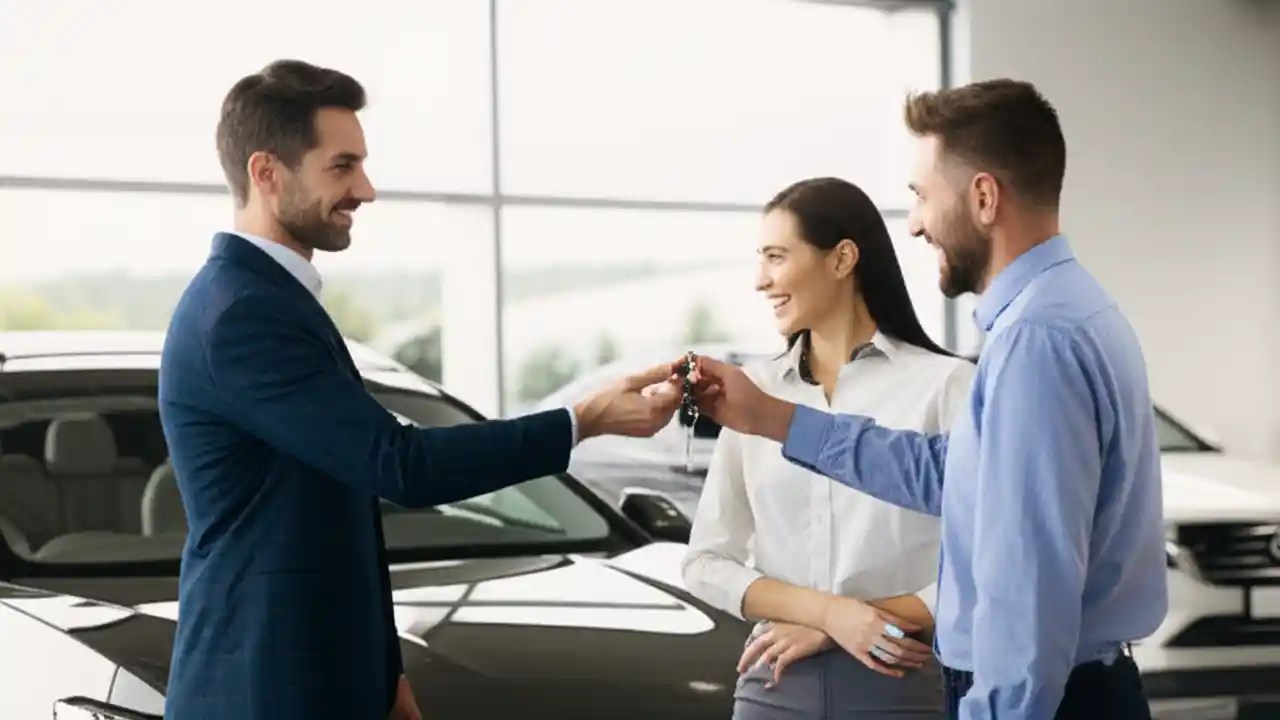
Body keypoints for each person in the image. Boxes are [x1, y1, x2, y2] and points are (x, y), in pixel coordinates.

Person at [157, 59, 682, 720]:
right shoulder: (243, 315)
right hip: (263, 691)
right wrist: (583, 420)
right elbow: (401, 465)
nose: (366, 190)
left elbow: (336, 514)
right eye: (342, 166)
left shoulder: (267, 301)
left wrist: (383, 674)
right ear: (266, 172)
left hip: (313, 681)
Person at [688, 79, 1166, 720]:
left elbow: (1027, 590)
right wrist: (775, 419)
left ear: (983, 198)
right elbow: (951, 475)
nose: (914, 224)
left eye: (921, 196)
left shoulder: (1035, 342)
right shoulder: (1066, 314)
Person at [681, 177, 975, 719]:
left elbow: (983, 566)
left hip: (903, 686)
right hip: (774, 685)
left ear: (842, 259)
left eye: (776, 257)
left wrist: (856, 621)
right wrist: (829, 614)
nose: (760, 280)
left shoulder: (947, 386)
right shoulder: (754, 394)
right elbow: (705, 562)